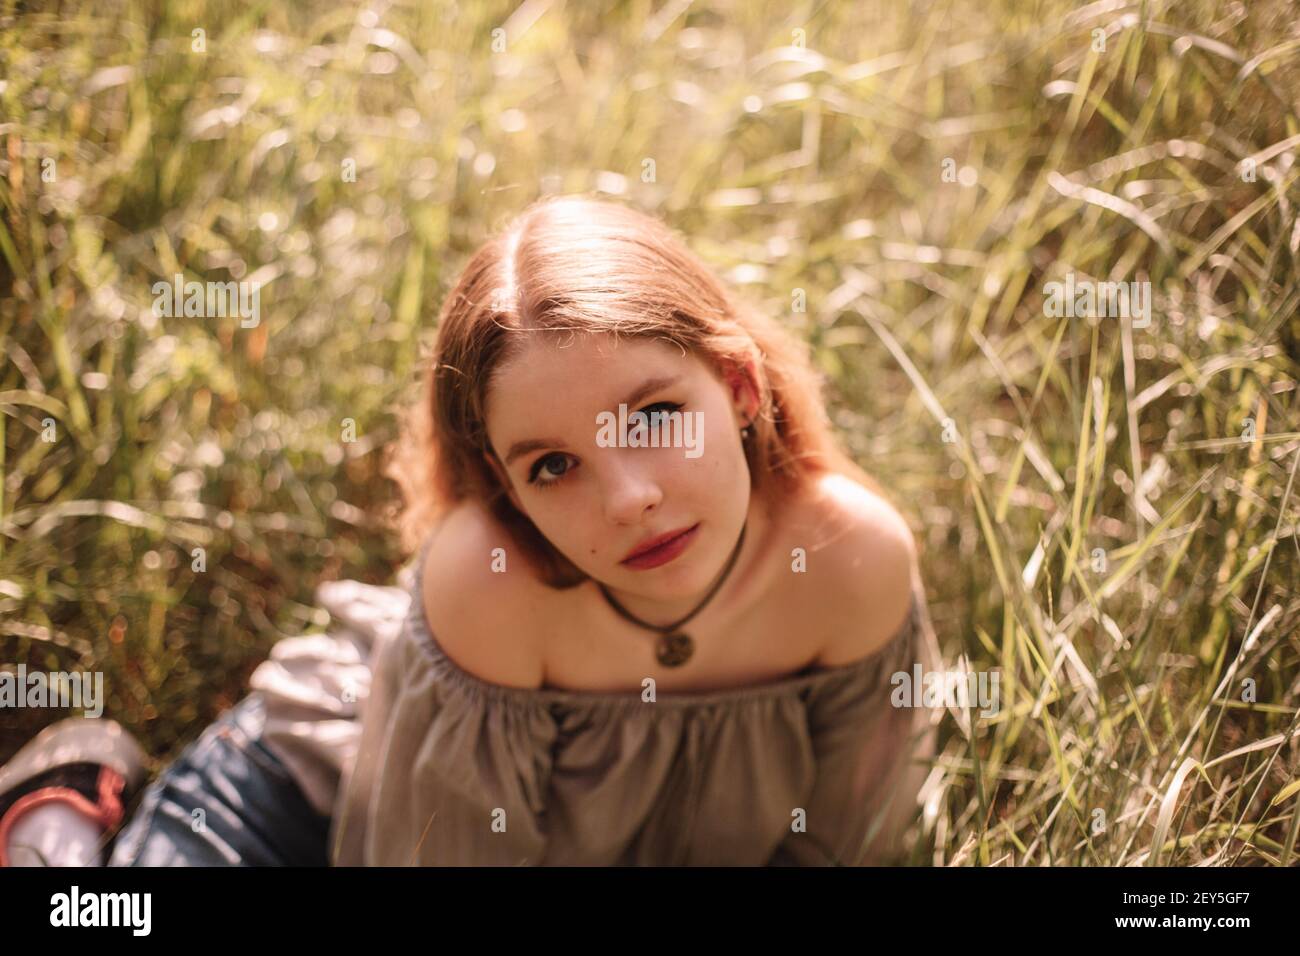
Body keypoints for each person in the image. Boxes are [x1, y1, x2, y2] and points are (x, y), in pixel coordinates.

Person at [0, 196, 941, 866]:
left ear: (737, 388)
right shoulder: (489, 587)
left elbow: (846, 846)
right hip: (318, 801)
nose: (627, 500)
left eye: (653, 416)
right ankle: (59, 820)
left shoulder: (850, 563)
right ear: (506, 488)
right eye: (553, 466)